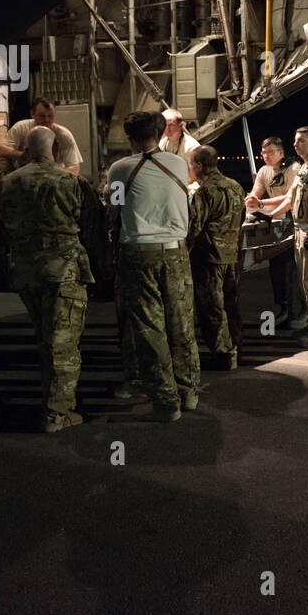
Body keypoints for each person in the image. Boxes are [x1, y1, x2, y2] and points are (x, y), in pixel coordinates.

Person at [0, 127, 105, 432]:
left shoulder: (6, 184)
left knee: (45, 336)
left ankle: (51, 399)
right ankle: (58, 413)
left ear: (27, 150)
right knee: (62, 342)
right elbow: (93, 229)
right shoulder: (71, 182)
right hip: (63, 269)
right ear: (54, 149)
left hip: (25, 271)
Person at [107, 111, 200, 422]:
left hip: (139, 254)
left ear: (129, 137)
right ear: (159, 132)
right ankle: (188, 392)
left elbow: (114, 209)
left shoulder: (119, 169)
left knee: (150, 329)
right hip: (176, 251)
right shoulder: (177, 163)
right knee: (182, 322)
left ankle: (166, 400)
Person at [248, 126, 308, 348]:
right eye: (295, 141)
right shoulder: (305, 168)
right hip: (300, 229)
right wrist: (270, 216)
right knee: (306, 283)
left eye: (300, 141)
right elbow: (290, 199)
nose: (295, 145)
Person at [188, 145, 245, 369]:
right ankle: (237, 346)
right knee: (232, 304)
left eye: (192, 165)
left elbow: (194, 227)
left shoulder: (204, 191)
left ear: (200, 166)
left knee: (212, 307)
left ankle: (223, 354)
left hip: (210, 258)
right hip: (232, 255)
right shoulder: (236, 186)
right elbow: (240, 220)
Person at [246, 136, 306, 328]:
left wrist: (263, 205)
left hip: (294, 222)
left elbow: (290, 198)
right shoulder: (264, 171)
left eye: (270, 152)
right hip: (277, 223)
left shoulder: (293, 168)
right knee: (277, 268)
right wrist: (251, 200)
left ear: (281, 153)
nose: (266, 156)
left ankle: (300, 311)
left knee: (294, 270)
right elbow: (256, 192)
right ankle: (284, 308)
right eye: (263, 153)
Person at [0, 98, 83, 176]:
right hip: (25, 173)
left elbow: (74, 165)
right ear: (32, 114)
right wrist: (23, 155)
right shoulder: (21, 127)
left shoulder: (63, 135)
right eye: (42, 116)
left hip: (53, 174)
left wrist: (58, 179)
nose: (46, 120)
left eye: (50, 116)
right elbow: (0, 150)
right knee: (1, 163)